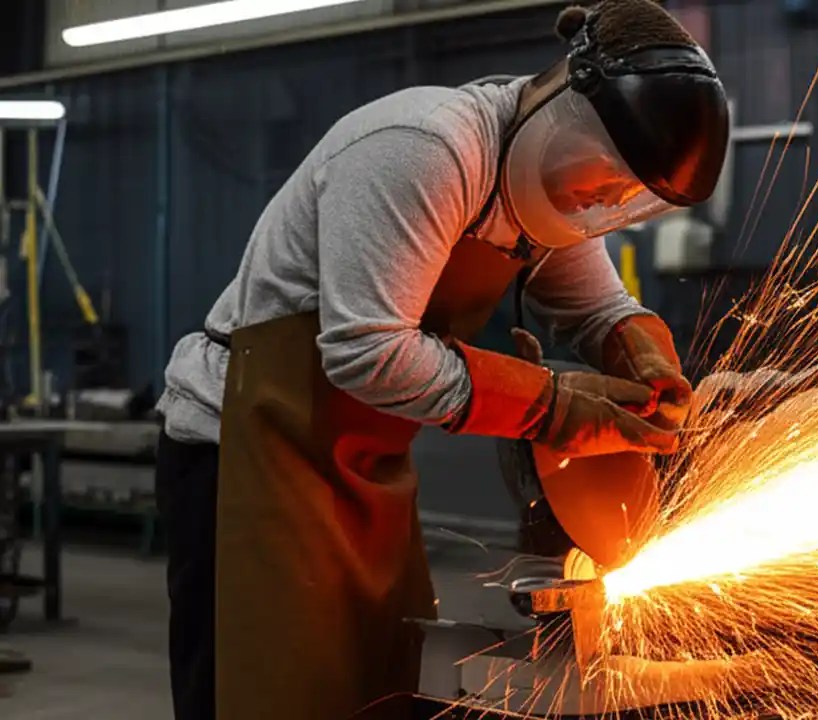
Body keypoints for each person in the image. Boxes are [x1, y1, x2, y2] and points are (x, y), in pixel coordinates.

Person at [152, 1, 729, 718]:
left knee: (372, 682)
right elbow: (365, 351)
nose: (602, 201)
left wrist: (647, 363)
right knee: (251, 689)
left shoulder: (552, 199)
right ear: (562, 103)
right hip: (239, 448)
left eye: (623, 198)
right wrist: (550, 406)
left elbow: (598, 310)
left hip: (359, 464)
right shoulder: (427, 150)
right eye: (604, 177)